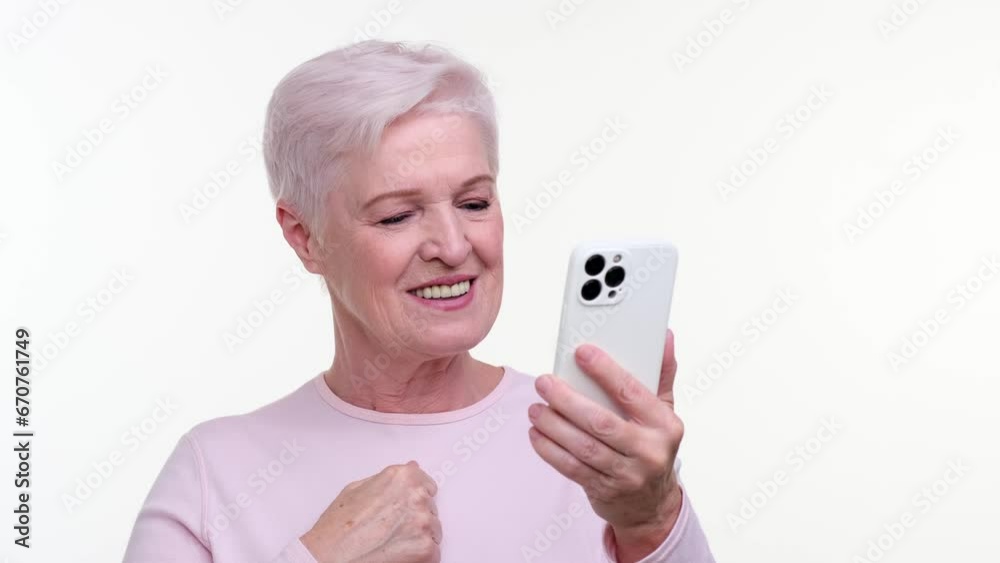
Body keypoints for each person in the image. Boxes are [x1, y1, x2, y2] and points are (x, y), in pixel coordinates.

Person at [123, 40, 715, 563]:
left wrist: (653, 520)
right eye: (397, 215)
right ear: (304, 236)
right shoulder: (213, 476)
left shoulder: (596, 451)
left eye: (474, 203)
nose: (454, 247)